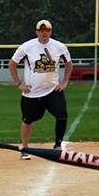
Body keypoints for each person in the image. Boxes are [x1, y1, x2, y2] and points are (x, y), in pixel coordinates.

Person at [7, 19, 73, 158]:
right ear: (37, 32)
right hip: (32, 93)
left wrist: (65, 82)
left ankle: (57, 146)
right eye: (41, 30)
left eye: (47, 30)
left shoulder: (59, 47)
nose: (44, 33)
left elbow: (69, 64)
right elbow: (12, 64)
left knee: (62, 115)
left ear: (51, 32)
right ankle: (25, 148)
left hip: (52, 90)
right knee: (28, 120)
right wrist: (19, 84)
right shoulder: (27, 47)